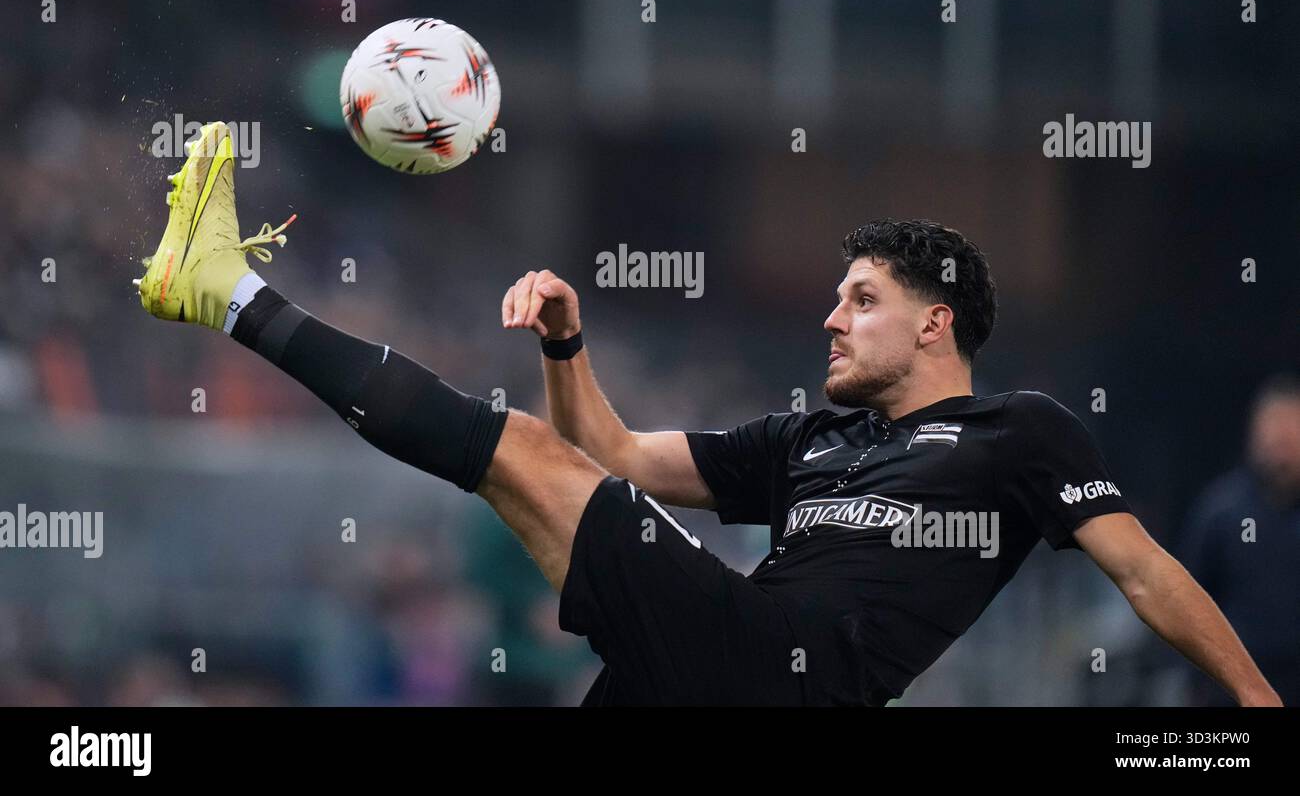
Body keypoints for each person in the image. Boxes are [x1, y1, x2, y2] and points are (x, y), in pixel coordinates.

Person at [133, 122, 1281, 706]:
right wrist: (565, 346)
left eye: (862, 299)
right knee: (542, 449)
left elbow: (1143, 571)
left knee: (518, 457)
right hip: (714, 665)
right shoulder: (807, 441)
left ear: (938, 325)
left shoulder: (1019, 431)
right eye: (834, 295)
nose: (831, 318)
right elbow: (617, 454)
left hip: (781, 673)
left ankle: (227, 289)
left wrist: (1253, 700)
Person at [1179, 374, 1300, 705]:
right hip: (1234, 689)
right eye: (1273, 428)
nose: (1282, 440)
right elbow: (1187, 600)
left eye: (1291, 429)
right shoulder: (1220, 513)